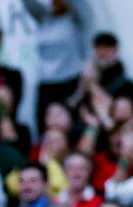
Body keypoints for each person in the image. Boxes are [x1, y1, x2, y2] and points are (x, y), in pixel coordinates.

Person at [23, 0, 91, 132]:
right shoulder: (43, 18)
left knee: (72, 128)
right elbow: (28, 3)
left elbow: (80, 3)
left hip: (70, 80)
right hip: (46, 83)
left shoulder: (74, 19)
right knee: (45, 129)